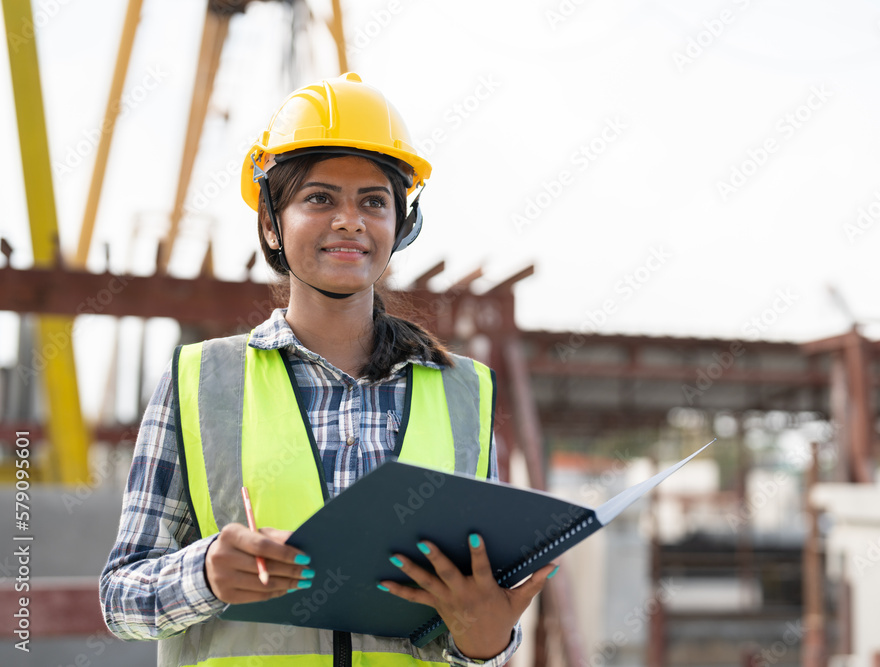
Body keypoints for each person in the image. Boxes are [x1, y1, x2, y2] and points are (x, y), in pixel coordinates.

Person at [100, 72, 557, 666]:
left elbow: (475, 621)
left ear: (402, 226)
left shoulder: (463, 394)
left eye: (374, 201)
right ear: (272, 223)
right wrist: (205, 573)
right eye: (320, 198)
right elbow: (120, 600)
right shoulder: (200, 382)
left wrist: (487, 642)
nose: (350, 220)